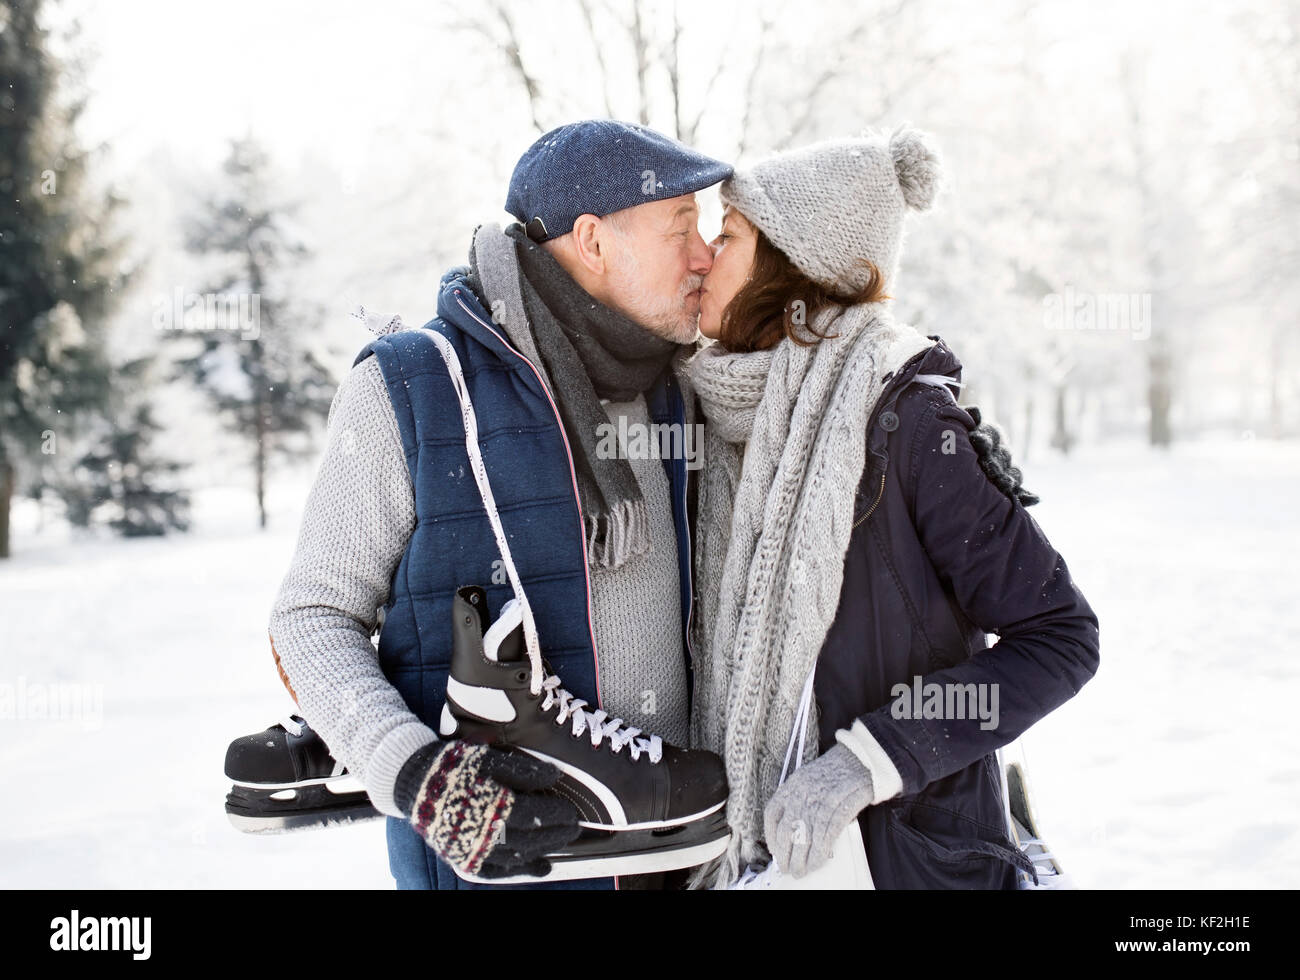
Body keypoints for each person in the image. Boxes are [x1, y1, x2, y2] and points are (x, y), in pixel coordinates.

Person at [266, 119, 732, 889]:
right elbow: (311, 618)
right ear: (593, 241)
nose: (705, 253)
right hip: (503, 864)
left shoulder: (682, 392)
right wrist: (419, 777)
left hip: (677, 857)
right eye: (682, 226)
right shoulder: (412, 388)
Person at [683, 124, 1101, 889]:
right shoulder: (707, 419)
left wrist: (868, 762)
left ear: (791, 265)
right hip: (763, 865)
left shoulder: (903, 422)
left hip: (909, 862)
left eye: (730, 235)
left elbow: (1061, 636)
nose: (706, 255)